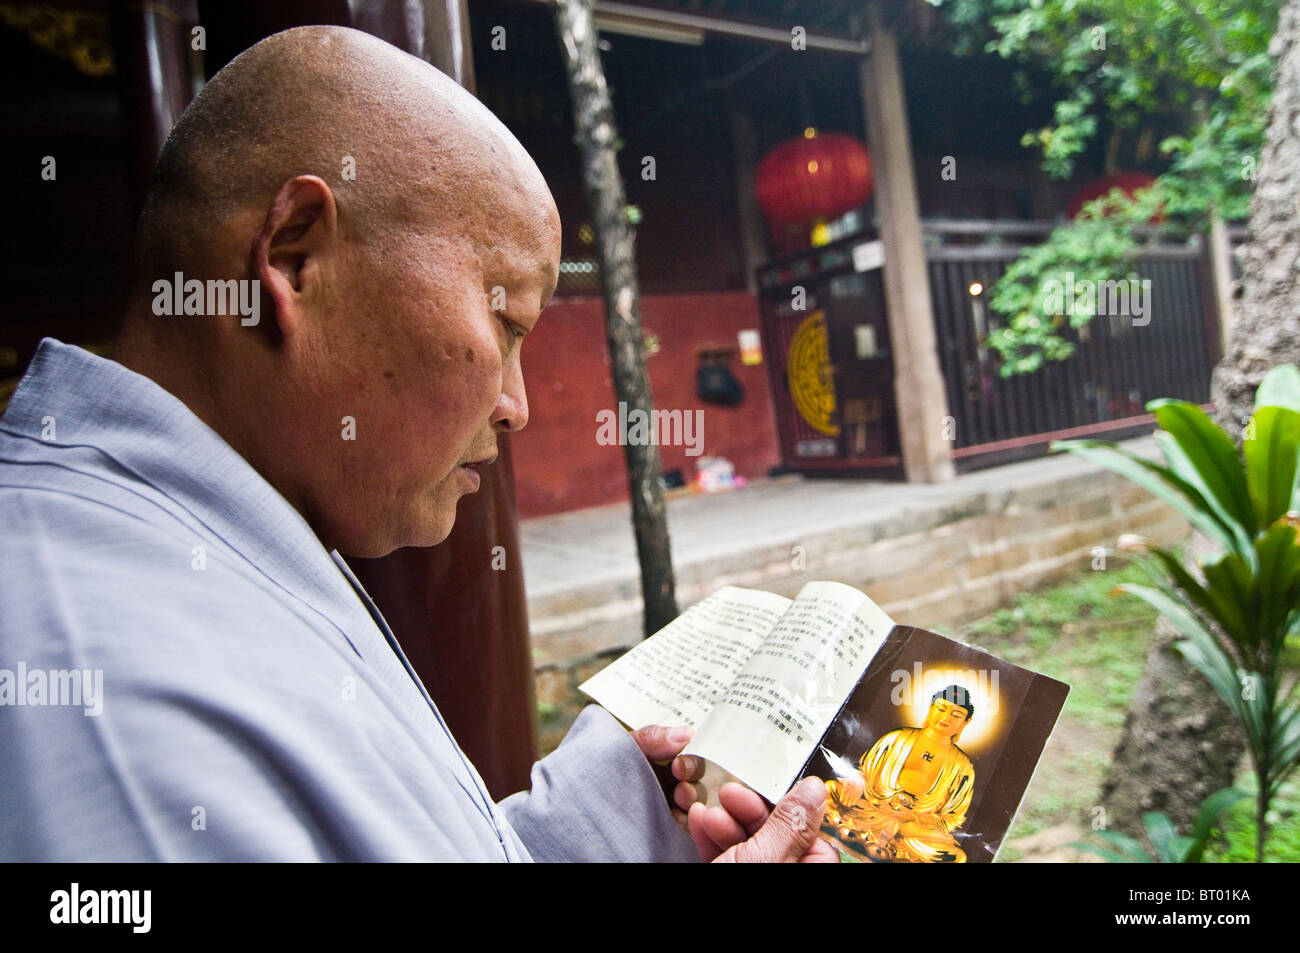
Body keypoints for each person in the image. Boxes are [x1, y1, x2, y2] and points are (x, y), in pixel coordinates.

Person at [0, 25, 832, 863]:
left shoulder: (209, 539)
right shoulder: (99, 680)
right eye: (505, 323)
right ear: (295, 258)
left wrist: (619, 815)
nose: (516, 406)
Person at [823, 685, 975, 862]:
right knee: (830, 789)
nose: (946, 717)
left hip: (911, 829)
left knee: (956, 857)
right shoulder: (897, 738)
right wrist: (857, 783)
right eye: (941, 709)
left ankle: (859, 836)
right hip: (872, 810)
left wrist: (911, 821)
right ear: (931, 707)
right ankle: (885, 843)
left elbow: (952, 818)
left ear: (966, 722)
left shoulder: (962, 767)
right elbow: (864, 771)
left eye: (956, 715)